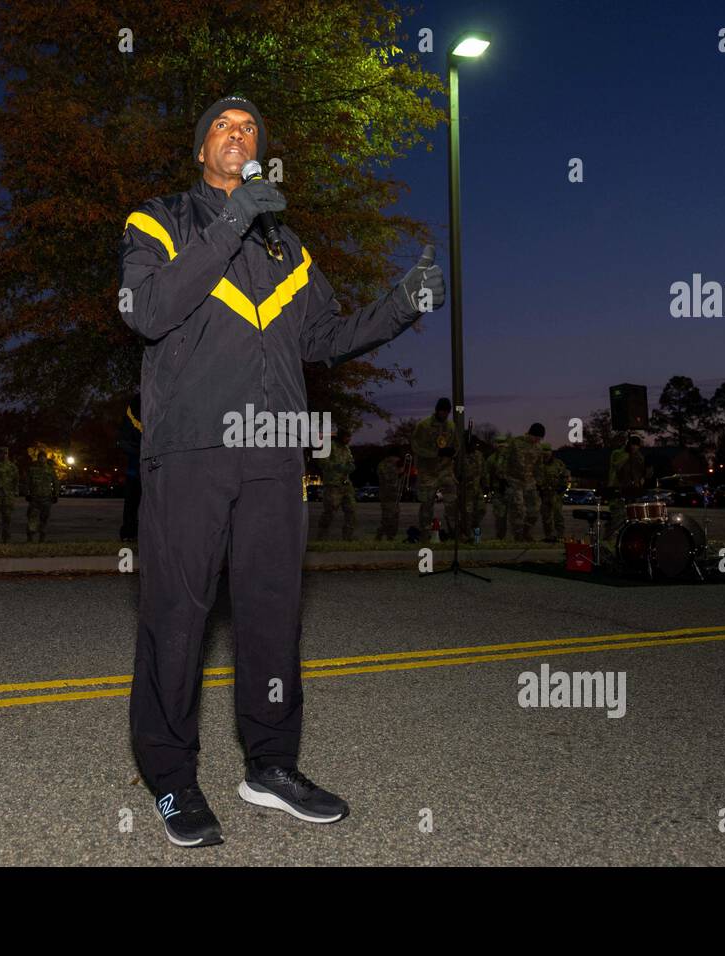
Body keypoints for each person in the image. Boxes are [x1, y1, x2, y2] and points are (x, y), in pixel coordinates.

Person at [118, 95, 444, 848]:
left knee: (271, 616)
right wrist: (231, 223)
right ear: (202, 149)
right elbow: (147, 308)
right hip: (192, 450)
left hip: (275, 452)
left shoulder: (287, 248)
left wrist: (400, 306)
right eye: (224, 128)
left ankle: (271, 765)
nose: (238, 135)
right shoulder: (158, 220)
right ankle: (170, 777)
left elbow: (325, 337)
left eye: (250, 129)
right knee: (179, 616)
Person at [411, 398, 457, 543]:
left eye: (447, 412)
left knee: (452, 502)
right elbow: (416, 446)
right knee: (427, 504)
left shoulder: (451, 426)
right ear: (437, 410)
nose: (444, 414)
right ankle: (425, 535)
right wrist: (435, 453)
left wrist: (452, 452)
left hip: (445, 470)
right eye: (442, 411)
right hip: (428, 472)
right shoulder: (424, 425)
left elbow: (457, 444)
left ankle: (454, 533)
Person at [504, 423, 545, 542]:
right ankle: (518, 535)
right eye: (536, 437)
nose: (538, 440)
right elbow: (505, 459)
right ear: (530, 434)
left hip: (530, 482)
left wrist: (540, 484)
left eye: (540, 438)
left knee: (535, 509)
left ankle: (526, 532)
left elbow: (539, 467)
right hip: (515, 481)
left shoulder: (538, 448)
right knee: (518, 510)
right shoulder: (515, 443)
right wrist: (503, 478)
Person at [316, 428, 355, 540]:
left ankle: (348, 538)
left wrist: (351, 466)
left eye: (350, 437)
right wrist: (336, 466)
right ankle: (322, 536)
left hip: (346, 484)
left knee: (351, 511)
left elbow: (350, 461)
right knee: (330, 512)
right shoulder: (330, 445)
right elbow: (322, 462)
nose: (349, 439)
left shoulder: (346, 449)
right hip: (332, 485)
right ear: (341, 436)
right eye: (347, 437)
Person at [117, 393, 142, 541]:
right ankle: (129, 532)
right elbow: (124, 440)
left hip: (158, 470)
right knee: (132, 503)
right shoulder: (135, 404)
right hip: (136, 469)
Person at [537, 443, 571, 543]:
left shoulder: (558, 463)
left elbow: (565, 476)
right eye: (543, 451)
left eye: (547, 451)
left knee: (558, 515)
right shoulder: (537, 464)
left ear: (551, 452)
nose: (545, 453)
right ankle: (549, 536)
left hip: (556, 493)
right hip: (543, 494)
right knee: (546, 516)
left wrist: (562, 488)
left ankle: (560, 536)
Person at [25, 450, 60, 543]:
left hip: (46, 498)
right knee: (32, 519)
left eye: (43, 457)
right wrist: (27, 493)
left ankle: (42, 539)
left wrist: (56, 495)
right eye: (40, 457)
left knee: (44, 519)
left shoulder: (50, 469)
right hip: (34, 498)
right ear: (38, 458)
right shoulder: (32, 469)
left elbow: (56, 482)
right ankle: (30, 539)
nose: (42, 459)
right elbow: (27, 482)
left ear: (45, 458)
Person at [459, 434, 488, 544]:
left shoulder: (479, 455)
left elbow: (483, 471)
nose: (475, 446)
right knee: (467, 513)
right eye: (473, 444)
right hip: (466, 490)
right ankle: (466, 535)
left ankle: (475, 532)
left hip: (477, 489)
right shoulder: (461, 456)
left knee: (481, 510)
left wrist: (485, 485)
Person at [375, 446, 406, 541]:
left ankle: (382, 535)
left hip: (384, 492)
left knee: (387, 514)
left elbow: (379, 475)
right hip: (394, 492)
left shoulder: (382, 463)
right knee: (394, 515)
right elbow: (401, 473)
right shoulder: (398, 462)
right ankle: (389, 536)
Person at [486, 435, 510, 539]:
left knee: (517, 515)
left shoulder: (511, 458)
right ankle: (501, 536)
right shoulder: (491, 459)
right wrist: (488, 487)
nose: (501, 447)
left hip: (511, 490)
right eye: (499, 444)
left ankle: (519, 537)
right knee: (500, 516)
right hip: (498, 491)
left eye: (503, 444)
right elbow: (487, 474)